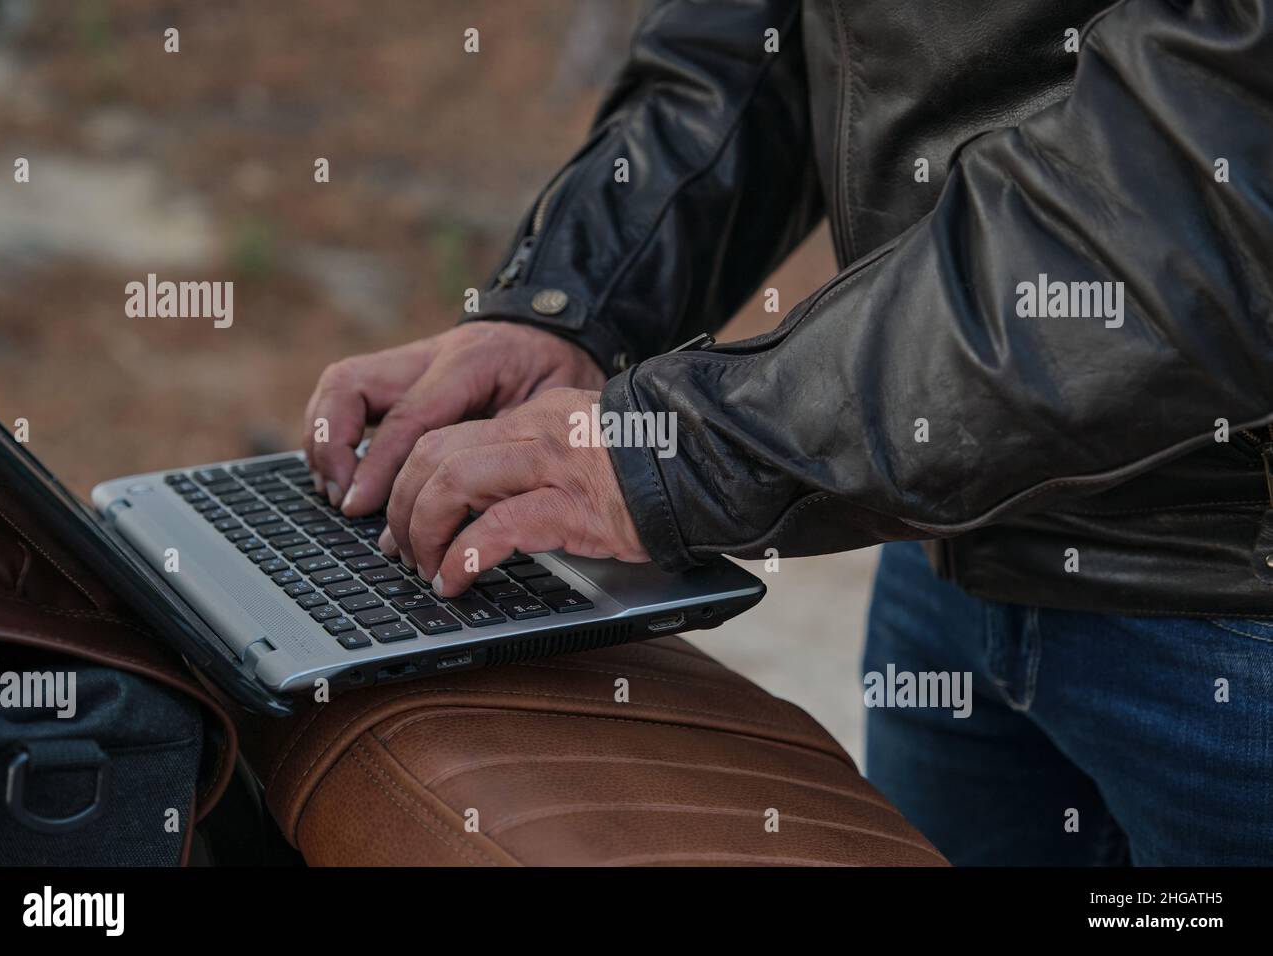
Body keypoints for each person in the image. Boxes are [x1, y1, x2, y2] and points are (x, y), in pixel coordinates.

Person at [302, 0, 1273, 865]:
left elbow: (1193, 196)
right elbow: (755, 40)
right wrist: (571, 305)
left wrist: (682, 448)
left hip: (1222, 601)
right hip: (947, 531)